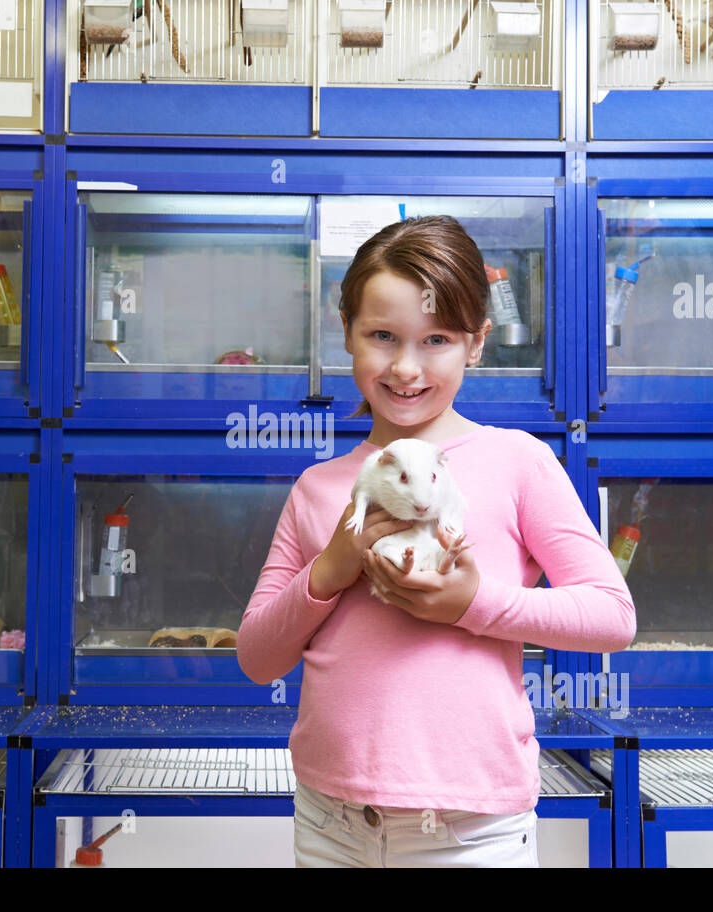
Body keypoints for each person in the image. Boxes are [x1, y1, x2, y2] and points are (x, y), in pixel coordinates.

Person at [235, 215, 637, 867]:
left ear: (476, 343)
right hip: (330, 820)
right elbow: (255, 658)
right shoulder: (317, 486)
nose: (405, 366)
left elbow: (613, 617)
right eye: (382, 336)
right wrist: (328, 571)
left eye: (437, 340)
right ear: (347, 335)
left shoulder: (518, 463)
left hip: (470, 828)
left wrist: (474, 602)